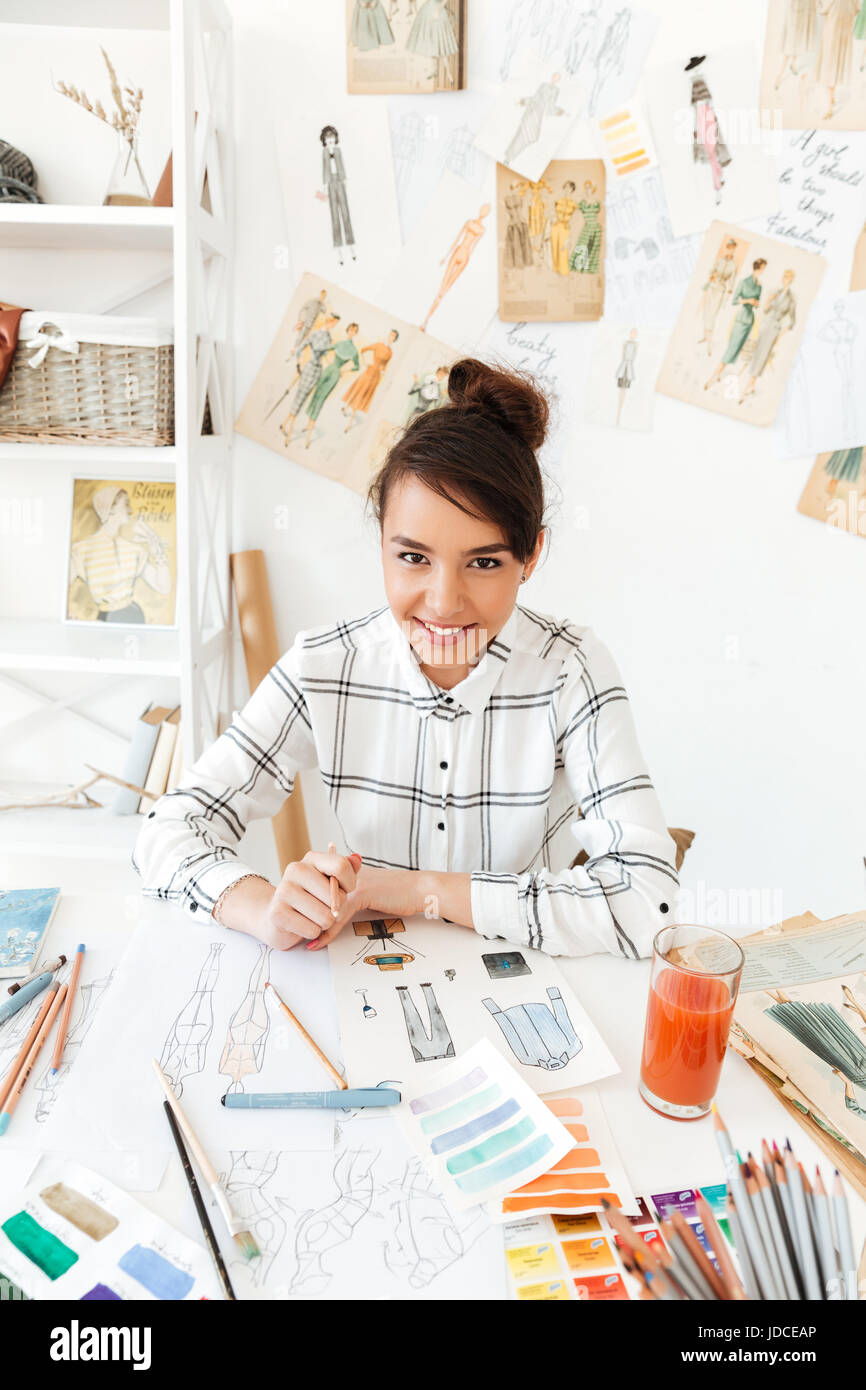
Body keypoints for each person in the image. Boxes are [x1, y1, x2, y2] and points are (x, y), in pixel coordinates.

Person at [133, 360, 679, 960]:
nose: (444, 603)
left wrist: (418, 891)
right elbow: (167, 831)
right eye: (414, 558)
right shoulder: (325, 665)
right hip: (366, 978)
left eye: (485, 562)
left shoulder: (570, 669)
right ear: (383, 543)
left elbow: (647, 902)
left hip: (521, 984)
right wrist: (260, 905)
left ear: (531, 555)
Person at [69, 486, 171, 624]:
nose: (131, 510)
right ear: (110, 508)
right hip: (105, 621)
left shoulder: (133, 550)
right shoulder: (82, 551)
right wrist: (69, 617)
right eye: (126, 505)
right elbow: (61, 589)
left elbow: (163, 587)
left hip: (134, 616)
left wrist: (158, 553)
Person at [705, 258, 766, 389]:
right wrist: (748, 300)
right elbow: (734, 301)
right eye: (762, 268)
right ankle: (713, 376)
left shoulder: (759, 286)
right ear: (758, 268)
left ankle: (718, 374)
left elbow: (757, 303)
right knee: (731, 349)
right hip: (741, 319)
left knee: (737, 350)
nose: (763, 271)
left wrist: (755, 303)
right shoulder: (744, 282)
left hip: (750, 320)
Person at [739, 269, 797, 402]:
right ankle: (751, 384)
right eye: (784, 277)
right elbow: (765, 310)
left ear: (791, 280)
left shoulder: (791, 299)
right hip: (765, 324)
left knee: (763, 355)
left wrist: (780, 334)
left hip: (775, 328)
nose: (785, 279)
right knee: (756, 351)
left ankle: (749, 384)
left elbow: (792, 322)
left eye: (788, 277)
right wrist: (769, 300)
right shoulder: (776, 293)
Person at [303, 322, 360, 448]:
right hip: (328, 369)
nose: (352, 332)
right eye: (350, 330)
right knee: (316, 394)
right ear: (347, 330)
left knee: (321, 399)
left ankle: (309, 432)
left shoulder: (354, 350)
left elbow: (357, 366)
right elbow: (325, 350)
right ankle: (308, 424)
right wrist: (328, 360)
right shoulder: (340, 343)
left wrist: (344, 370)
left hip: (335, 374)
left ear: (356, 333)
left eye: (354, 331)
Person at [342, 328, 399, 431]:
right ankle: (350, 422)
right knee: (359, 390)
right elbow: (364, 350)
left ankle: (346, 409)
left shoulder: (390, 352)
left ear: (395, 339)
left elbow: (384, 366)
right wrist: (366, 362)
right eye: (390, 335)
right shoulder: (379, 345)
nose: (391, 338)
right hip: (368, 372)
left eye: (393, 337)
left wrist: (382, 374)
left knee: (363, 394)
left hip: (376, 377)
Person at [318, 126, 355, 266]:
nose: (330, 140)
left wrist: (345, 180)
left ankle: (351, 245)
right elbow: (324, 169)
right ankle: (338, 247)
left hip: (340, 181)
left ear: (335, 138)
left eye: (332, 137)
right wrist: (324, 185)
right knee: (335, 214)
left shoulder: (338, 150)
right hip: (330, 184)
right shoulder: (324, 152)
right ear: (324, 140)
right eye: (327, 138)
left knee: (345, 213)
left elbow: (342, 166)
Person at [698, 238, 737, 353]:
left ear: (734, 250)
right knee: (706, 311)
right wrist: (712, 275)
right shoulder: (720, 260)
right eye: (729, 248)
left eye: (732, 249)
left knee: (713, 314)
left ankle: (709, 342)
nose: (730, 251)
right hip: (712, 286)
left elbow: (733, 279)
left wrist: (730, 289)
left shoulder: (734, 265)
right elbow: (712, 270)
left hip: (720, 290)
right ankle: (705, 336)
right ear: (727, 249)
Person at [568, 181, 603, 274]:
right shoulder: (582, 203)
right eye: (586, 188)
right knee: (582, 248)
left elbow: (600, 217)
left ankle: (589, 271)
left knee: (593, 250)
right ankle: (578, 270)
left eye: (589, 187)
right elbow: (577, 216)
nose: (588, 190)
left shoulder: (597, 202)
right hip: (587, 227)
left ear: (593, 189)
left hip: (596, 229)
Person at [550, 181, 578, 275]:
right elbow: (552, 213)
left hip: (565, 227)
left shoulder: (574, 204)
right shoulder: (558, 201)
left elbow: (574, 220)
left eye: (569, 188)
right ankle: (555, 270)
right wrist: (553, 218)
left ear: (572, 190)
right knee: (554, 248)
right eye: (565, 187)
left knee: (563, 249)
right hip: (555, 226)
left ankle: (564, 271)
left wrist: (571, 234)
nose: (567, 190)